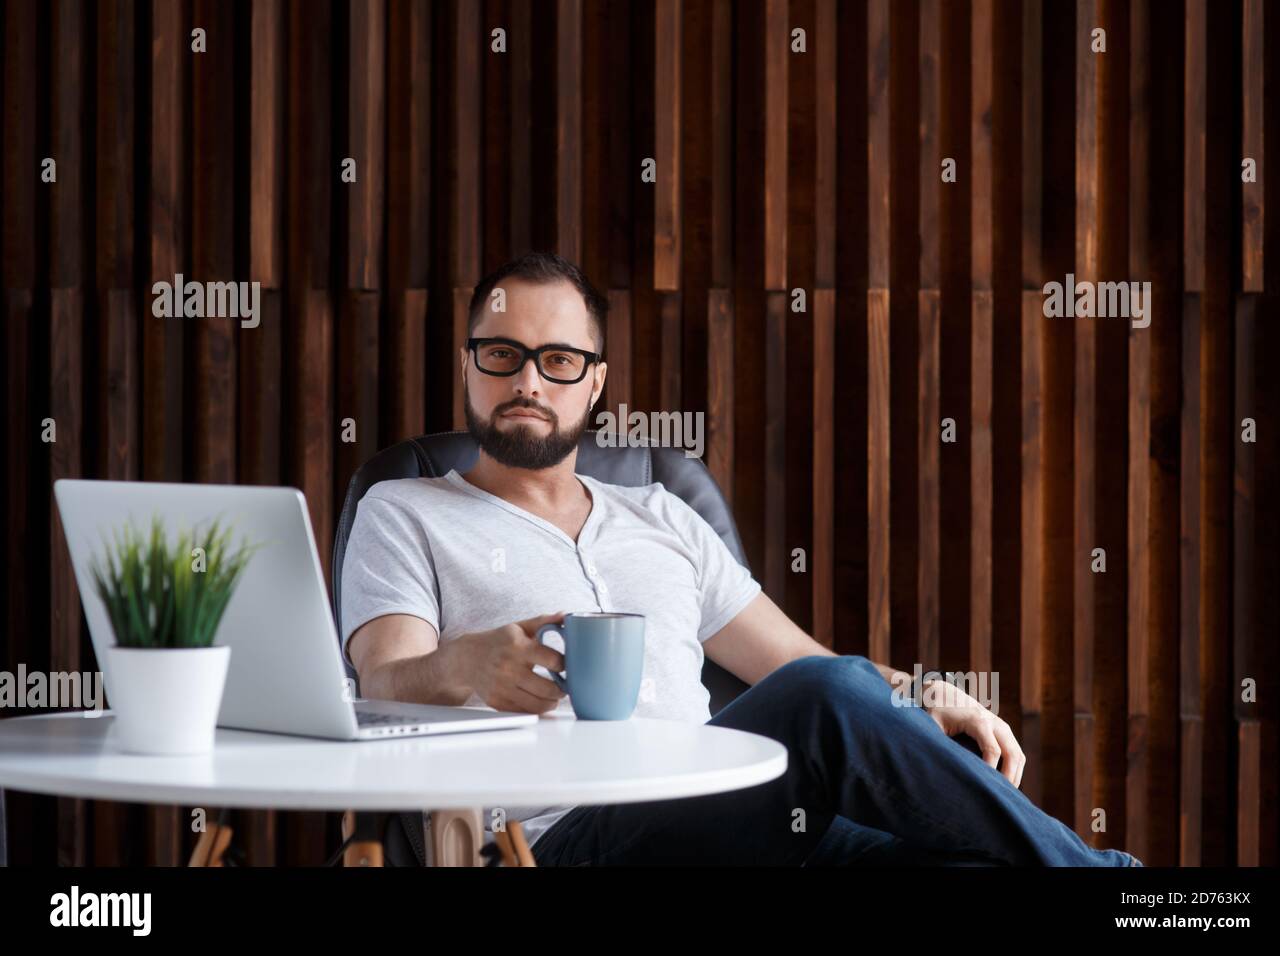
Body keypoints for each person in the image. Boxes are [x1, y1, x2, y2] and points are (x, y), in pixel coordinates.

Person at [340, 251, 1141, 867]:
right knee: (826, 696)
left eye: (558, 360)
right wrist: (466, 667)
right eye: (502, 354)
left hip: (731, 817)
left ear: (595, 384)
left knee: (972, 857)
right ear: (469, 363)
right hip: (551, 842)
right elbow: (382, 679)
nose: (528, 381)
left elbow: (800, 662)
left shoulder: (662, 514)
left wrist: (923, 694)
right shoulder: (405, 509)